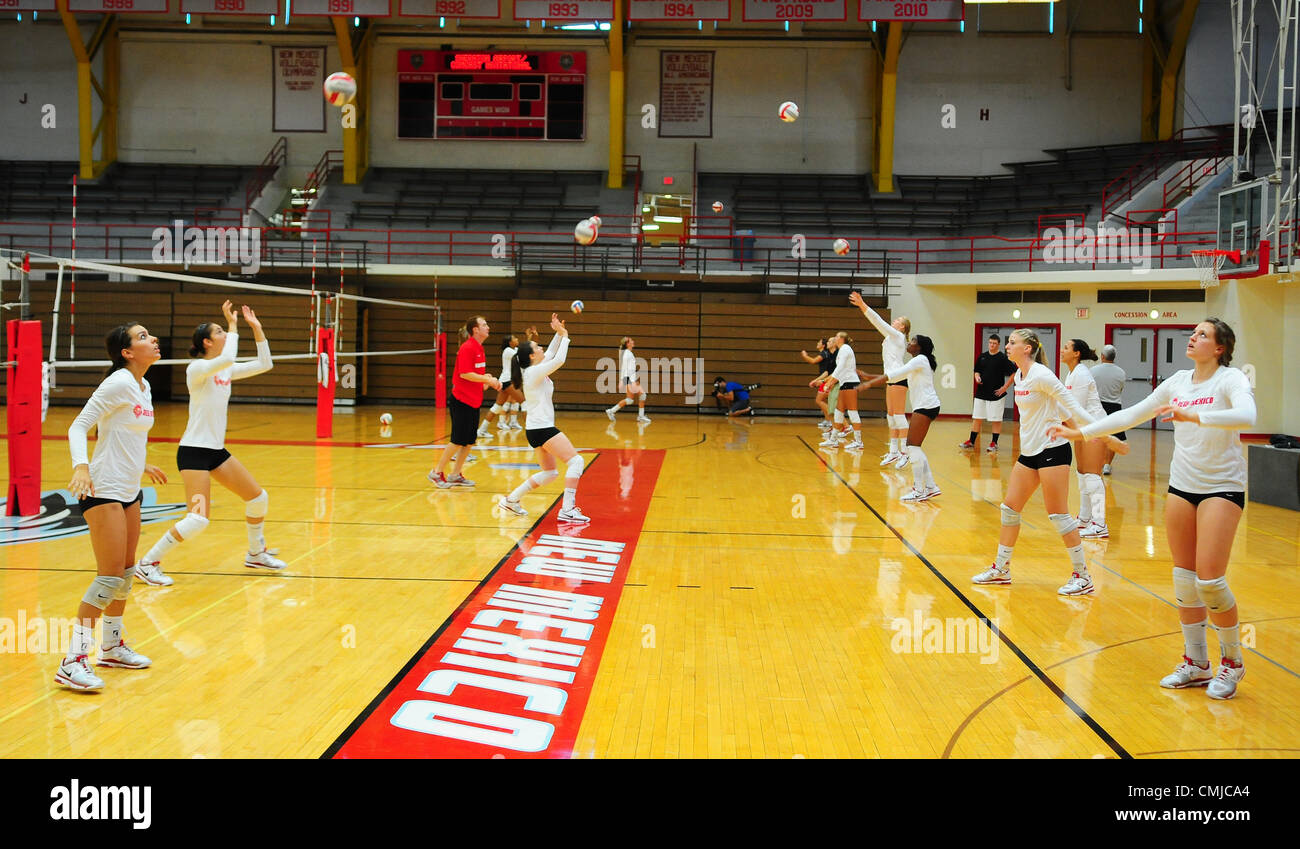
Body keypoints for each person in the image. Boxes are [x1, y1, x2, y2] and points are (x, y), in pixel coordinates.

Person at [1050, 319, 1254, 699]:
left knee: (1209, 582)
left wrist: (1197, 415)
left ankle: (1233, 662)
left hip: (1221, 488)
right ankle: (1196, 663)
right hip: (1182, 487)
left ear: (1221, 347)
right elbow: (1132, 414)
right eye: (1193, 333)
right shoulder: (1177, 381)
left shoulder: (1230, 380)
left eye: (1203, 335)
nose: (1193, 338)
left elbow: (1247, 416)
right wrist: (1082, 432)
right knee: (1183, 580)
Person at [970, 329, 1128, 596]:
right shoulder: (1019, 376)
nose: (1007, 346)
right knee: (1009, 509)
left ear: (1027, 348)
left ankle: (1083, 576)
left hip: (1053, 450)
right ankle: (1002, 569)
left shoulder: (1043, 375)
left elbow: (1072, 409)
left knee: (1058, 515)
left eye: (1012, 342)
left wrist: (1106, 437)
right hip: (1030, 452)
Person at [56, 322, 169, 690]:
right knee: (107, 578)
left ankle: (111, 646)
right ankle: (73, 660)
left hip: (128, 488)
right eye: (142, 337)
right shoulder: (118, 381)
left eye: (149, 335)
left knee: (125, 573)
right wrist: (81, 466)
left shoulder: (143, 385)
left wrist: (143, 463)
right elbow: (78, 426)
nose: (152, 340)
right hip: (102, 488)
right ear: (127, 352)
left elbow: (121, 433)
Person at [136, 301, 281, 586]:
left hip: (216, 452)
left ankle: (255, 553)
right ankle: (147, 562)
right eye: (219, 332)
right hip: (193, 453)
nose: (225, 334)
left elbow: (266, 364)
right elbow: (227, 359)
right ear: (207, 341)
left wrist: (257, 329)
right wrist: (234, 325)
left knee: (257, 498)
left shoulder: (224, 370)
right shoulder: (197, 368)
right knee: (198, 519)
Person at [495, 313, 590, 523]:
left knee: (550, 473)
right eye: (538, 348)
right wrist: (565, 335)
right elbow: (560, 359)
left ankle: (511, 500)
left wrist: (558, 332)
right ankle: (567, 509)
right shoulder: (533, 373)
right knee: (576, 461)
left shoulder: (533, 368)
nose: (541, 349)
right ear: (531, 356)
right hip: (543, 429)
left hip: (535, 430)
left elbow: (552, 353)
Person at [430, 316, 501, 489]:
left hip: (474, 401)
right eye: (484, 325)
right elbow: (464, 374)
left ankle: (455, 474)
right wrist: (487, 379)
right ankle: (436, 472)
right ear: (475, 330)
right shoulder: (467, 348)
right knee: (457, 439)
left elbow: (475, 379)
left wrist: (487, 381)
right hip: (461, 401)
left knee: (469, 441)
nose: (488, 327)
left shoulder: (480, 349)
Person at [849, 291, 911, 467]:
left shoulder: (897, 336)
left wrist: (862, 305)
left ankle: (905, 452)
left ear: (902, 328)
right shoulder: (891, 338)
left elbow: (877, 321)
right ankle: (893, 451)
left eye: (899, 320)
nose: (895, 321)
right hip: (891, 378)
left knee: (899, 416)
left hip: (899, 378)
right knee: (890, 416)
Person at [1061, 338, 1109, 539]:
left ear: (1076, 353)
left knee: (1092, 475)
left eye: (1066, 347)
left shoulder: (1081, 374)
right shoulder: (1071, 374)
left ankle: (1100, 524)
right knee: (1082, 474)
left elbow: (1076, 409)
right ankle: (1085, 518)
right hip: (1082, 428)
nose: (1062, 350)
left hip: (1094, 426)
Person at [886, 335, 942, 501]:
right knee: (915, 447)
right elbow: (897, 377)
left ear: (919, 347)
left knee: (912, 447)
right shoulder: (919, 361)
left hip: (926, 406)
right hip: (926, 406)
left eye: (912, 342)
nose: (908, 344)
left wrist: (870, 380)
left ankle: (919, 489)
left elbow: (896, 373)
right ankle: (930, 486)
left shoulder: (920, 360)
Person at [961, 333, 1016, 453]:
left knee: (996, 419)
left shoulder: (1002, 358)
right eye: (990, 343)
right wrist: (977, 378)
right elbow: (977, 371)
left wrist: (1005, 387)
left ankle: (994, 443)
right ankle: (971, 441)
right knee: (977, 417)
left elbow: (1014, 373)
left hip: (996, 394)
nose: (992, 345)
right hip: (981, 393)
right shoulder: (982, 357)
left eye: (994, 343)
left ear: (999, 344)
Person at [477, 332, 529, 439]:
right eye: (515, 338)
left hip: (505, 381)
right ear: (510, 342)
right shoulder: (508, 351)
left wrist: (529, 338)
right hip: (508, 381)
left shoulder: (513, 350)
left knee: (497, 407)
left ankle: (482, 430)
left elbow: (523, 353)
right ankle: (532, 432)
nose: (517, 339)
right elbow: (524, 355)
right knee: (524, 403)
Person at [819, 331, 863, 450]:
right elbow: (840, 371)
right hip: (844, 383)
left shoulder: (845, 348)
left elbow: (840, 368)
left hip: (851, 383)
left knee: (853, 412)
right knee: (838, 412)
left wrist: (829, 382)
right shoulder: (841, 350)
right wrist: (831, 383)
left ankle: (859, 441)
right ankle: (833, 440)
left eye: (837, 336)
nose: (834, 338)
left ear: (841, 339)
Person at [1090, 344, 1127, 475]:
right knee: (1114, 436)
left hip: (1098, 406)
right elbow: (1120, 389)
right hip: (1115, 406)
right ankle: (1107, 465)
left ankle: (1096, 462)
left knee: (1097, 435)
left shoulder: (1093, 370)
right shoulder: (1121, 372)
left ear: (1102, 356)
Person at [606, 337, 651, 424]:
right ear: (627, 344)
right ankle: (641, 416)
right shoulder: (628, 354)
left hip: (628, 379)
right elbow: (627, 369)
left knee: (630, 400)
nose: (633, 341)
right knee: (642, 396)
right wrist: (632, 381)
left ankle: (611, 411)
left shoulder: (628, 353)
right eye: (631, 341)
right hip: (630, 379)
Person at [800, 338, 836, 430]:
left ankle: (834, 421)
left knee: (820, 400)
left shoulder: (824, 353)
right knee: (822, 401)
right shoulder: (829, 354)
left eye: (819, 342)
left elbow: (813, 361)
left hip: (828, 380)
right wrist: (817, 380)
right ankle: (830, 421)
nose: (817, 343)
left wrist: (804, 355)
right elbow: (827, 371)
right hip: (825, 379)